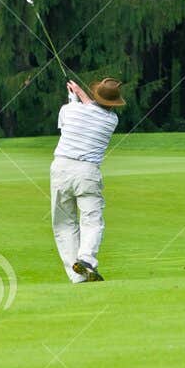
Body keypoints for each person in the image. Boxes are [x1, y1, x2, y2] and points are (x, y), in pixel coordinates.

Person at [51, 77, 125, 283]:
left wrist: (73, 97)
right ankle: (86, 259)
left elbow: (72, 117)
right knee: (92, 220)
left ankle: (77, 276)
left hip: (61, 168)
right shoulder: (111, 120)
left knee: (64, 223)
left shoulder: (68, 110)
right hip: (87, 173)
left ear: (94, 96)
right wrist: (79, 95)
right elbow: (93, 109)